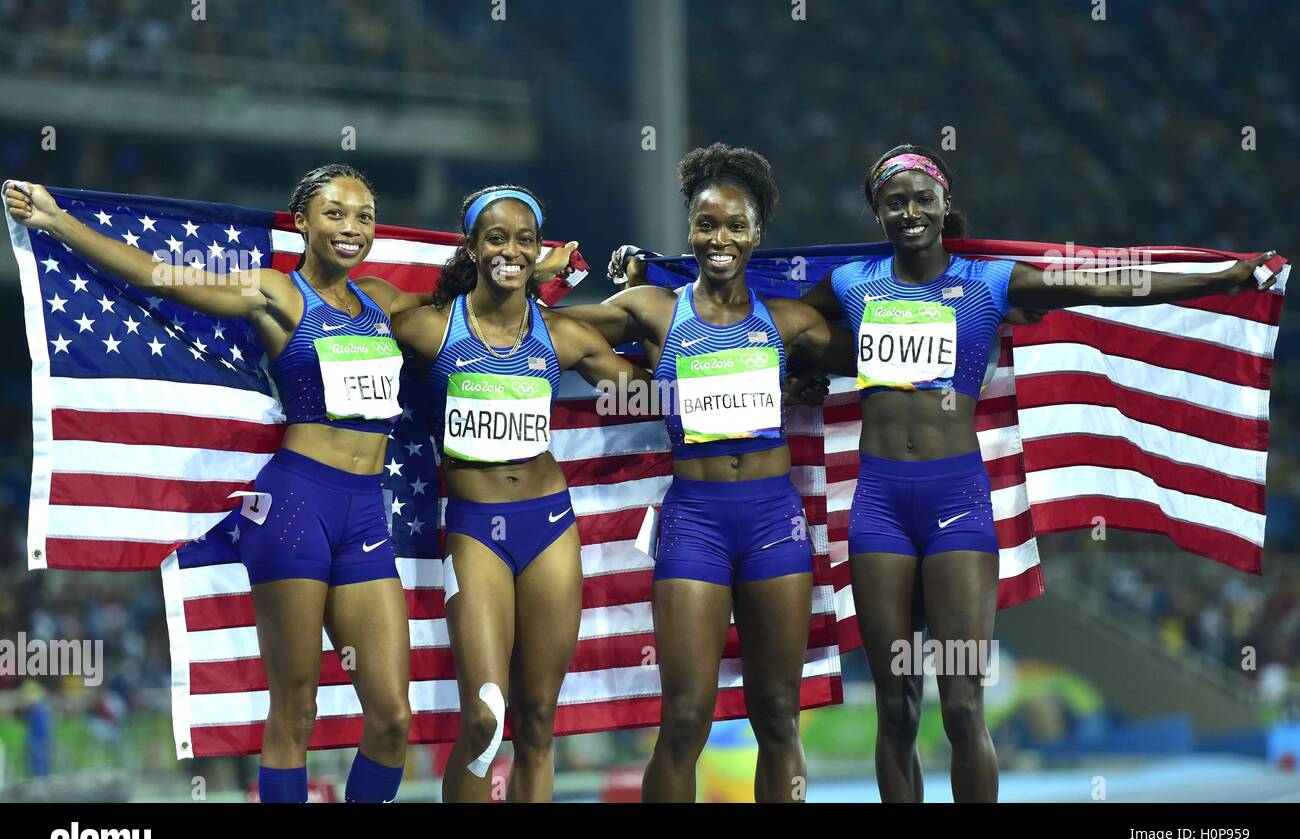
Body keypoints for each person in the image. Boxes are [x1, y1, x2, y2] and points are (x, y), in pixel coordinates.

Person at [789, 144, 1276, 802]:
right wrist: (806, 368)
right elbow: (770, 319)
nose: (909, 212)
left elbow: (1108, 281)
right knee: (896, 710)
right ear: (877, 210)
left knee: (962, 707)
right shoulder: (851, 282)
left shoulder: (991, 284)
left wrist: (1227, 275)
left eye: (921, 198)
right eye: (894, 201)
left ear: (944, 204)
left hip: (955, 505)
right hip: (878, 510)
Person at [9, 165, 420, 803]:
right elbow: (160, 277)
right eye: (335, 213)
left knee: (392, 717)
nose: (352, 227)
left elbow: (470, 305)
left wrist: (533, 271)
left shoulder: (382, 301)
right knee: (296, 710)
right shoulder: (276, 294)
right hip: (294, 507)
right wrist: (57, 221)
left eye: (364, 216)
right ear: (304, 223)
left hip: (366, 516)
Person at [564, 144, 844, 803]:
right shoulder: (655, 309)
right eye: (706, 223)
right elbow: (550, 327)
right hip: (695, 522)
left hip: (775, 522)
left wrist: (992, 312)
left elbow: (891, 337)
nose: (720, 238)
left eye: (735, 225)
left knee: (778, 714)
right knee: (686, 717)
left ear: (757, 234)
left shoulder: (788, 322)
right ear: (689, 228)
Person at [382, 184, 648, 802]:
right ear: (472, 246)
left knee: (535, 722)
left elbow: (656, 385)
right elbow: (355, 314)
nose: (511, 249)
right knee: (483, 720)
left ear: (538, 248)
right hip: (476, 530)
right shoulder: (428, 329)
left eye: (525, 239)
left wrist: (759, 369)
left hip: (550, 525)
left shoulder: (560, 336)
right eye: (496, 238)